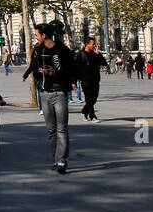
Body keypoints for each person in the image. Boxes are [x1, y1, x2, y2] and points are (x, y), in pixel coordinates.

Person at [27, 23, 75, 174]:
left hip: (59, 93)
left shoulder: (62, 50)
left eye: (37, 34)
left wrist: (55, 73)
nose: (36, 37)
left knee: (62, 128)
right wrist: (39, 72)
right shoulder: (39, 51)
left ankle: (62, 160)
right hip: (45, 93)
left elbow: (71, 70)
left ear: (44, 35)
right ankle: (56, 158)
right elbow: (33, 69)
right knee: (51, 130)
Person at [77, 36, 105, 122]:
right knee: (88, 98)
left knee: (94, 99)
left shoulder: (95, 54)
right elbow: (76, 67)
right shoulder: (80, 54)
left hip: (95, 80)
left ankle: (84, 111)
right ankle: (92, 116)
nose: (94, 46)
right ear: (87, 44)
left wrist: (98, 53)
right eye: (93, 44)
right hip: (85, 80)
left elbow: (104, 63)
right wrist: (75, 80)